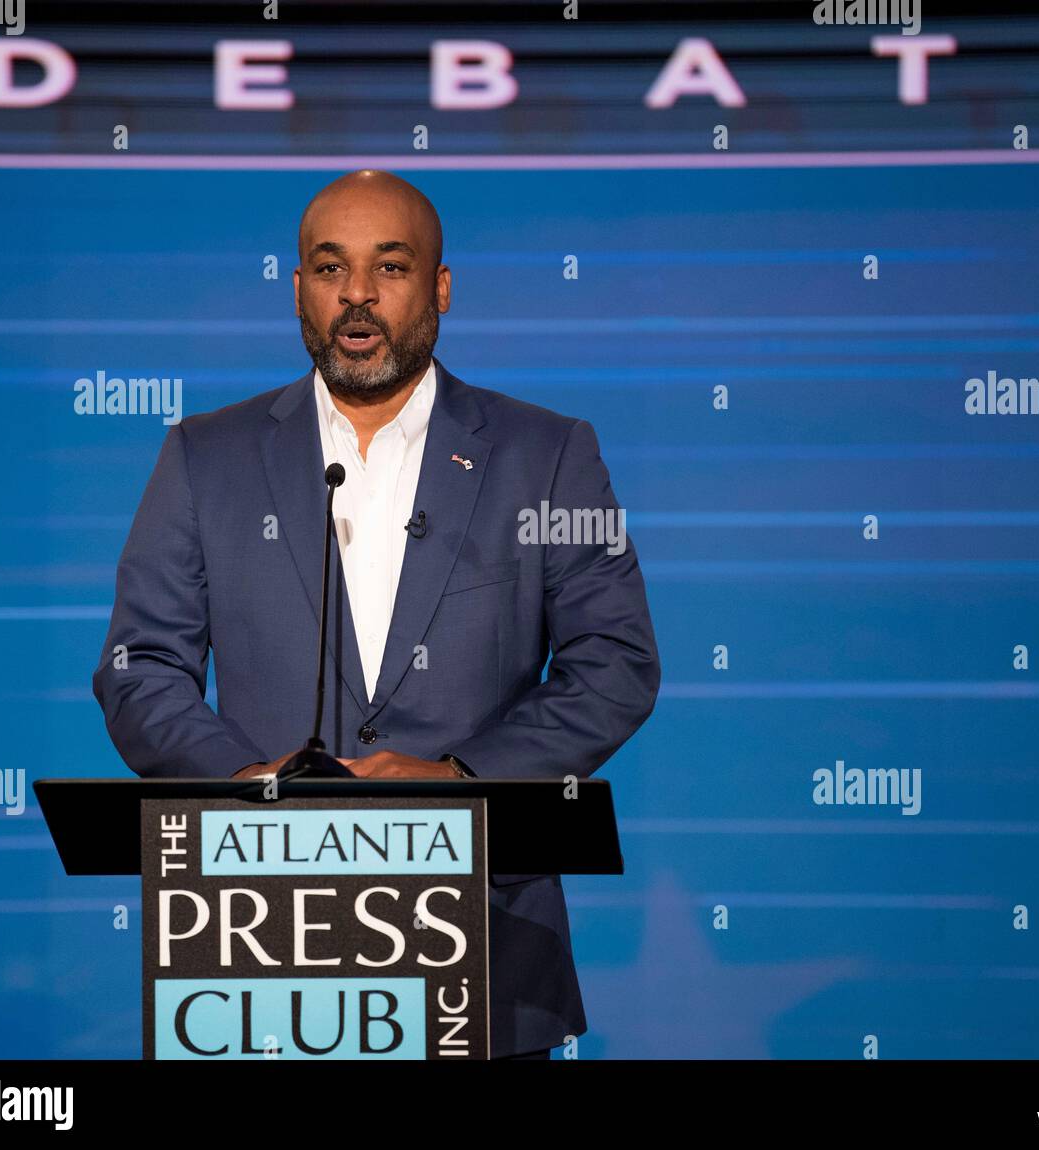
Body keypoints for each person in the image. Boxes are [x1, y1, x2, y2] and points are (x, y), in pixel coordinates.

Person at [92, 169, 661, 1059]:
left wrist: (464, 779)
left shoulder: (547, 455)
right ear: (298, 292)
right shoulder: (206, 456)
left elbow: (615, 662)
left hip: (481, 943)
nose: (357, 295)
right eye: (330, 268)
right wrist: (243, 783)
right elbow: (140, 669)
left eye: (389, 267)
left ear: (439, 288)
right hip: (258, 941)